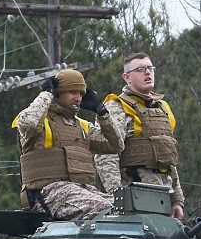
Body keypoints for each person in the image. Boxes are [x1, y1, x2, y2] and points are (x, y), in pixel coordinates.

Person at [13, 67, 121, 221]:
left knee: (124, 211)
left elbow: (116, 145)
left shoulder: (82, 126)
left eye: (81, 94)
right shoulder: (40, 122)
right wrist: (46, 94)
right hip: (49, 194)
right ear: (57, 93)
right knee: (105, 210)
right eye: (72, 92)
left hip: (84, 191)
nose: (78, 98)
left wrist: (101, 112)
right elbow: (29, 124)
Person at [96, 52, 185, 220]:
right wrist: (117, 198)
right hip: (135, 197)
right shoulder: (117, 107)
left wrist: (177, 200)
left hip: (164, 197)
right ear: (127, 77)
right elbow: (105, 155)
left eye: (150, 68)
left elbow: (168, 159)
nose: (147, 72)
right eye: (140, 69)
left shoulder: (163, 108)